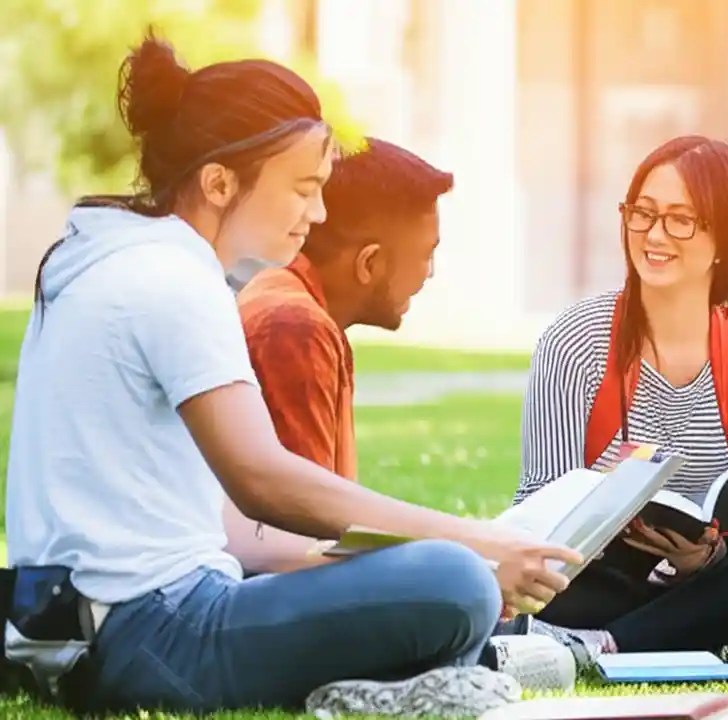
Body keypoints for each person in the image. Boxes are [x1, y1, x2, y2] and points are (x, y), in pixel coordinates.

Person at [2, 31, 579, 718]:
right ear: (219, 183)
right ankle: (410, 682)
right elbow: (263, 481)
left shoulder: (115, 258)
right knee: (455, 581)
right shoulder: (170, 281)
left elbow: (234, 526)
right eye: (304, 188)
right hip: (152, 635)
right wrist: (476, 540)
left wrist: (372, 564)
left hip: (88, 632)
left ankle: (412, 675)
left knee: (438, 576)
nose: (321, 213)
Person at [228, 136, 576, 689]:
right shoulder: (292, 327)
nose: (431, 273)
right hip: (255, 602)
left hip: (278, 587)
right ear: (370, 262)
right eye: (426, 253)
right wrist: (477, 563)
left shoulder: (299, 313)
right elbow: (293, 543)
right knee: (460, 586)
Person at [505, 135, 728, 663]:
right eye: (642, 214)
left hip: (703, 579)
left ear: (726, 236)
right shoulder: (575, 340)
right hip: (593, 576)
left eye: (680, 219)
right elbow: (538, 500)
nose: (654, 235)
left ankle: (605, 647)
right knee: (565, 588)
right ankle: (668, 637)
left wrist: (705, 557)